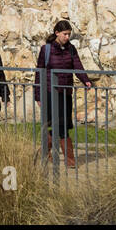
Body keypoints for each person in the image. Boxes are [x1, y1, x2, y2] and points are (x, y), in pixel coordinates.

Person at [35, 20, 93, 167]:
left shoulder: (71, 49)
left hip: (65, 92)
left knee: (63, 124)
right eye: (65, 34)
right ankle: (69, 159)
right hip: (49, 92)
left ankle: (47, 152)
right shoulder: (46, 49)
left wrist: (85, 80)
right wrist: (38, 96)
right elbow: (39, 73)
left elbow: (77, 65)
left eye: (69, 34)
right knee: (54, 124)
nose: (67, 37)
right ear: (57, 33)